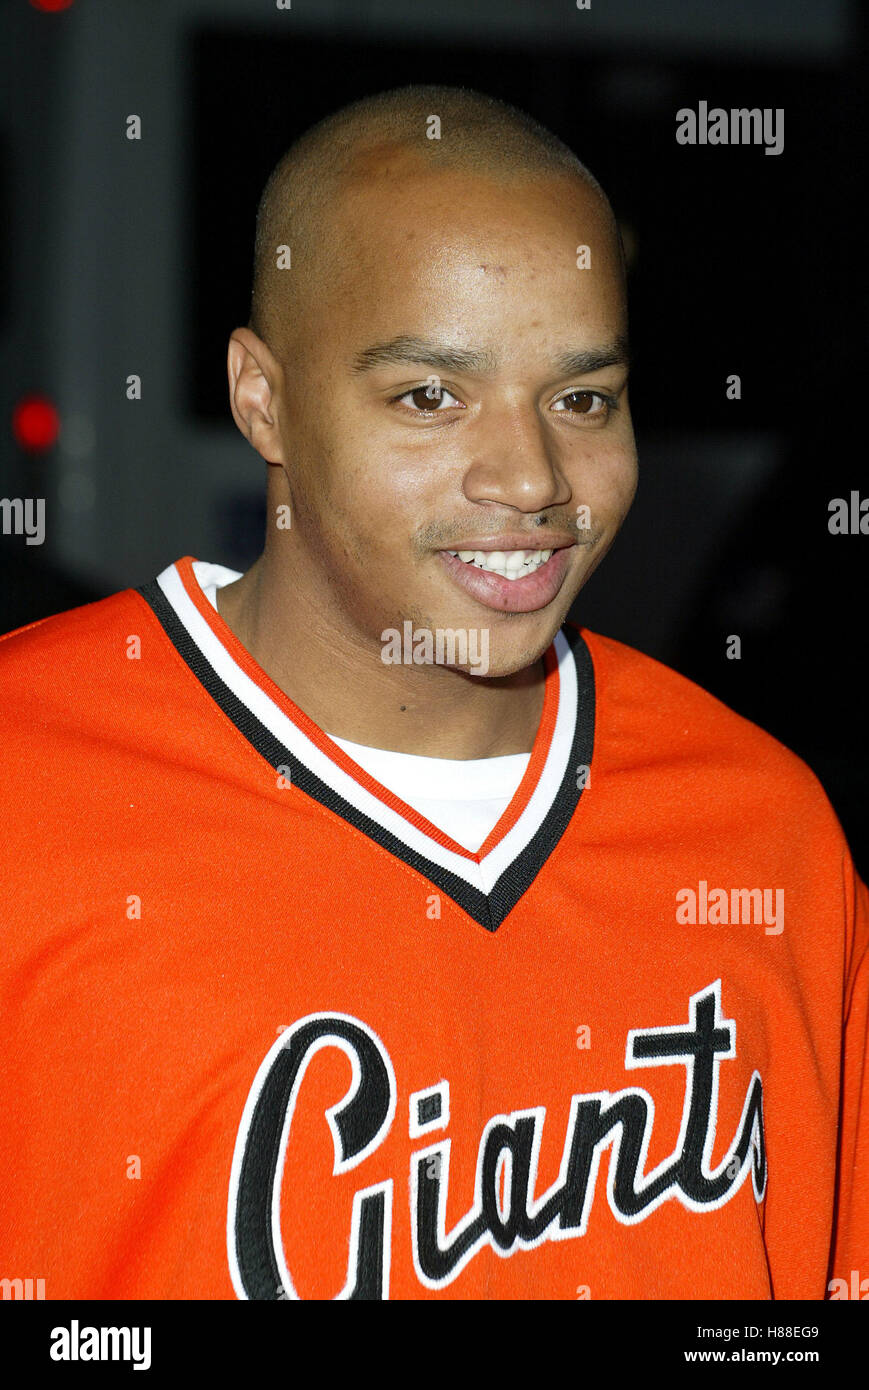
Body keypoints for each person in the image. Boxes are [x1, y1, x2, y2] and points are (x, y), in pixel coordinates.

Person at [0, 85, 865, 1301]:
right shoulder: (24, 785)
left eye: (581, 399)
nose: (529, 478)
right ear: (265, 400)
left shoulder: (761, 831)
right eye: (427, 396)